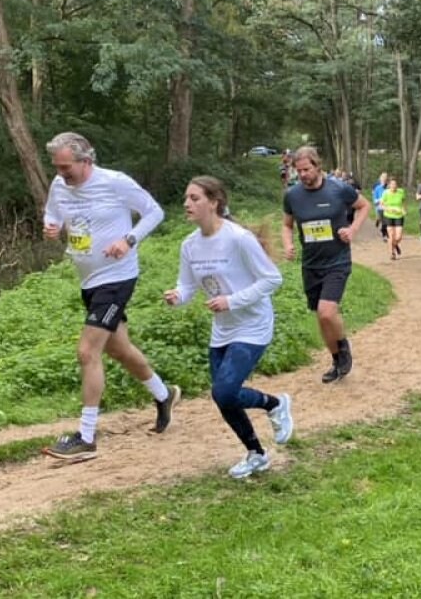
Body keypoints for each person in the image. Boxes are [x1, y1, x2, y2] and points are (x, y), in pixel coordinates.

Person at [41, 132, 177, 460]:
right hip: (88, 279)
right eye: (57, 168)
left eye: (66, 167)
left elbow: (154, 212)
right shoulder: (59, 186)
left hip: (117, 277)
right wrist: (51, 227)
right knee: (118, 348)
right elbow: (53, 214)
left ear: (86, 160)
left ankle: (85, 437)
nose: (61, 173)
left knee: (87, 352)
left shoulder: (115, 182)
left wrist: (128, 240)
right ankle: (164, 394)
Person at [163, 176, 293, 478]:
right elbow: (188, 285)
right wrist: (177, 296)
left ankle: (274, 405)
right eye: (186, 198)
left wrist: (231, 301)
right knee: (225, 397)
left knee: (224, 391)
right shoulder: (189, 245)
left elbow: (272, 279)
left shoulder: (237, 238)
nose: (187, 204)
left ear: (214, 203)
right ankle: (256, 454)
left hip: (253, 324)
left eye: (194, 198)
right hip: (222, 329)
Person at [281, 146, 371, 383]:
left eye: (306, 169)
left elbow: (364, 206)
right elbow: (287, 225)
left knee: (327, 311)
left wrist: (352, 229)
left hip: (337, 260)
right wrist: (288, 244)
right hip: (311, 264)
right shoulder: (292, 195)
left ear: (317, 167)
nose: (302, 175)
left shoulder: (338, 188)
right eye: (298, 171)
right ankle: (336, 361)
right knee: (321, 317)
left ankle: (343, 350)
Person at [381, 177, 407, 260]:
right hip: (388, 215)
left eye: (395, 184)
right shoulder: (386, 193)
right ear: (389, 185)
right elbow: (381, 205)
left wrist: (403, 209)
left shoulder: (401, 192)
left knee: (399, 236)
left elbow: (403, 202)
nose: (393, 186)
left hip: (399, 216)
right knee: (391, 235)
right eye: (392, 184)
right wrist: (389, 209)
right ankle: (392, 253)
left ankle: (395, 244)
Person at [372, 172, 389, 243]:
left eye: (385, 178)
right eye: (383, 177)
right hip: (380, 207)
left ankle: (385, 233)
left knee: (386, 222)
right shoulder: (377, 188)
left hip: (388, 207)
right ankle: (384, 233)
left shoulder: (389, 187)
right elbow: (375, 199)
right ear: (380, 179)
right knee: (382, 220)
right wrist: (380, 200)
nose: (384, 179)